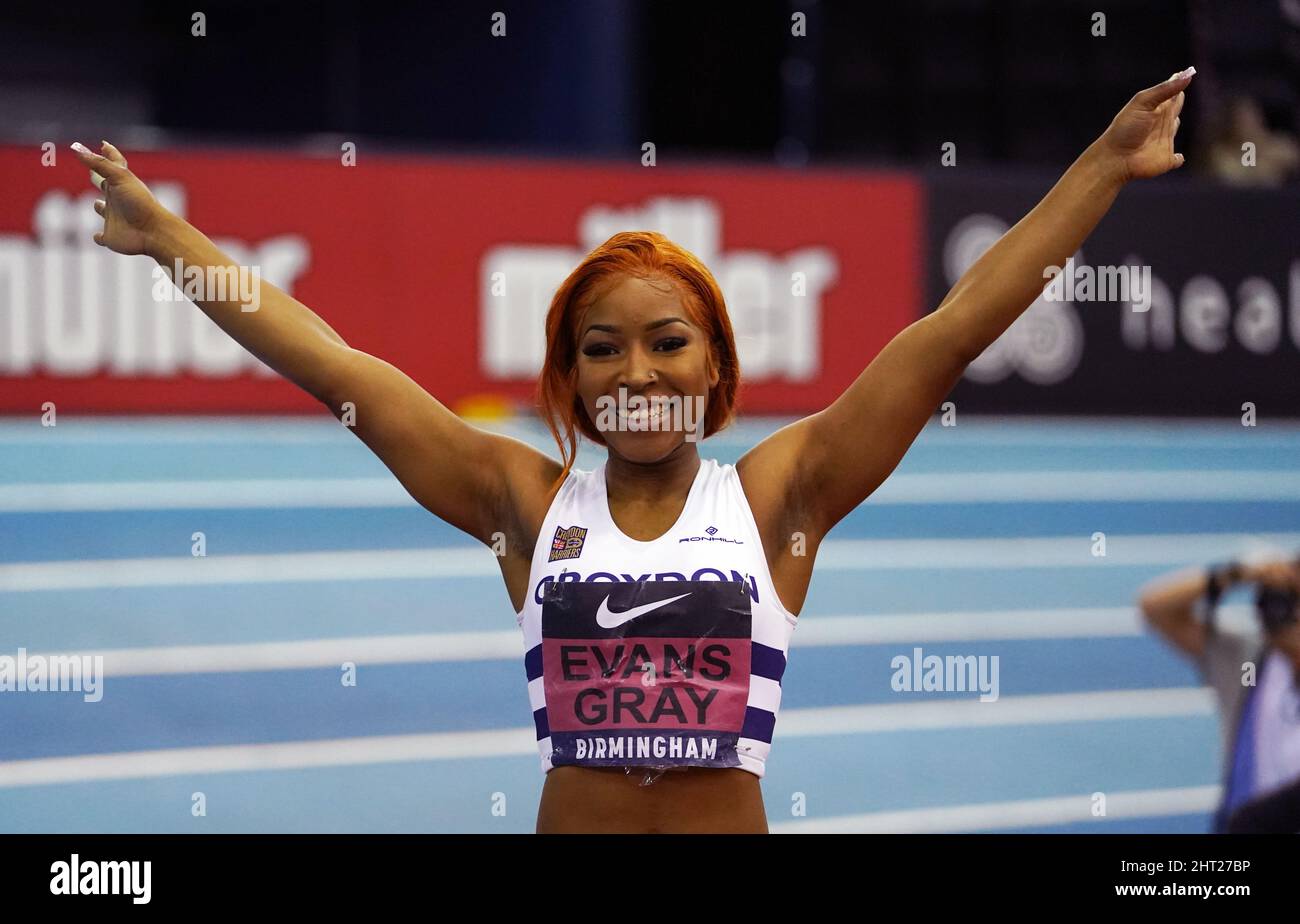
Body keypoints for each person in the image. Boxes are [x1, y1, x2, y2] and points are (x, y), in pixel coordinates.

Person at [72, 67, 1195, 834]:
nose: (636, 373)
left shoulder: (780, 497)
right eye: (600, 350)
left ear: (715, 367)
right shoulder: (519, 501)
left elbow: (954, 330)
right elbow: (331, 363)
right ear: (569, 381)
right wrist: (165, 232)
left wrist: (1103, 160)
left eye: (667, 343)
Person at [1139, 555, 1300, 833]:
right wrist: (1241, 574)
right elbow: (1155, 607)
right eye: (1283, 599)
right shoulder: (1247, 661)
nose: (1288, 612)